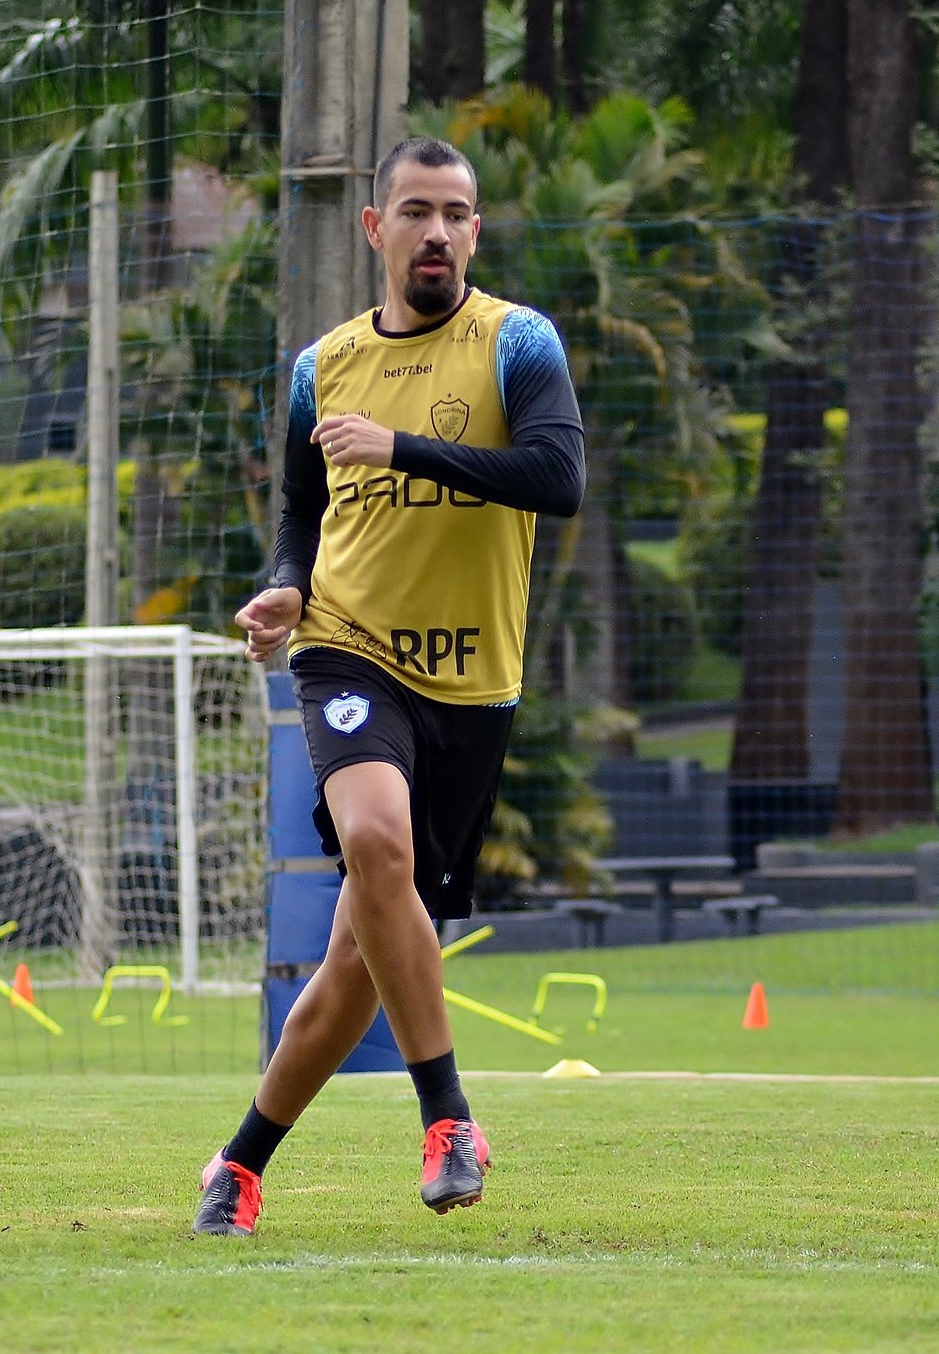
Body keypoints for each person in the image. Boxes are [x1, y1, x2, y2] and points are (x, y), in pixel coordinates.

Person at [193, 136, 586, 1237]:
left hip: (473, 685)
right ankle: (448, 1116)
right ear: (376, 229)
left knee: (358, 964)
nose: (436, 232)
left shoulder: (517, 342)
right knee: (375, 848)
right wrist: (282, 588)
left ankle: (238, 1161)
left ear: (475, 230)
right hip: (347, 646)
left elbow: (557, 478)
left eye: (456, 214)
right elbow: (300, 517)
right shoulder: (321, 364)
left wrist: (403, 447)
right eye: (415, 212)